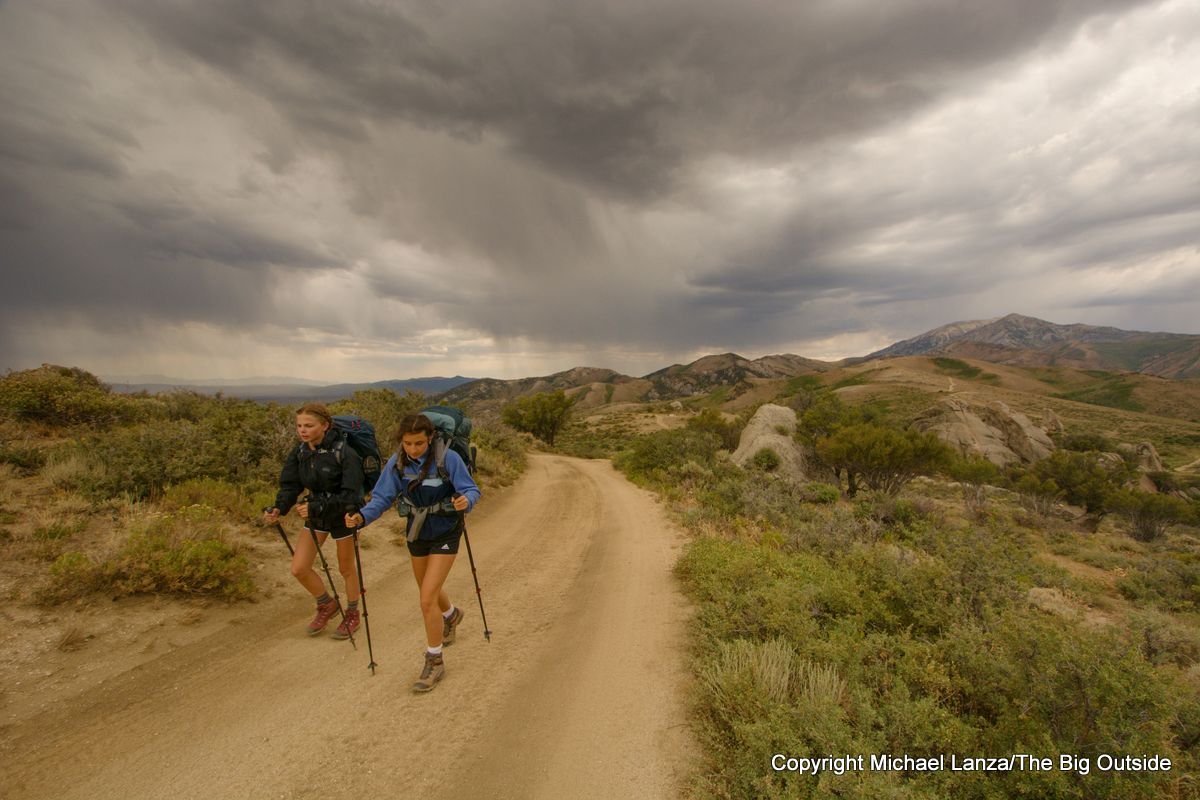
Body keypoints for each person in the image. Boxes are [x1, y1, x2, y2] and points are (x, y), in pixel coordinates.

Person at [347, 413, 480, 693]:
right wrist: (362, 517)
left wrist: (465, 500)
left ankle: (435, 661)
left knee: (426, 598)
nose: (413, 449)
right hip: (417, 532)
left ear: (430, 438)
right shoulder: (397, 464)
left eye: (419, 443)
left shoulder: (448, 459)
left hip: (446, 530)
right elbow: (382, 497)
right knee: (428, 590)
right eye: (407, 443)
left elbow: (470, 488)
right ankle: (452, 615)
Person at [264, 403, 365, 640]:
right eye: (299, 426)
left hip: (344, 516)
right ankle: (327, 605)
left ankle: (352, 613)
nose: (303, 430)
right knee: (299, 568)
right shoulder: (300, 453)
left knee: (346, 569)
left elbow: (352, 495)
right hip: (316, 514)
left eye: (309, 425)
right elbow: (290, 486)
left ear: (325, 425)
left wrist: (317, 506)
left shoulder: (345, 453)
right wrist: (279, 507)